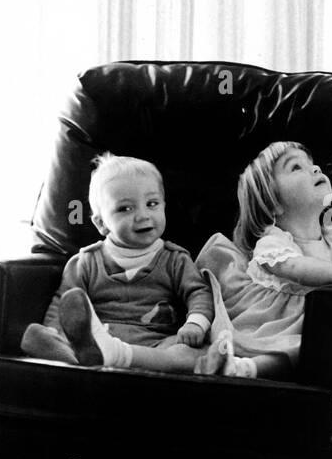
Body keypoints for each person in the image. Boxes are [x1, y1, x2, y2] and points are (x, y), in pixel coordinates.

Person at [197, 141, 332, 379]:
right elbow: (296, 267)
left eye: (312, 165)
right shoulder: (273, 241)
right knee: (299, 349)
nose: (315, 169)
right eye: (296, 167)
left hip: (315, 322)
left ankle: (239, 368)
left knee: (319, 347)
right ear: (273, 202)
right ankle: (243, 368)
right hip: (270, 324)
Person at [21, 152, 236, 376]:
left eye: (151, 204)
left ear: (164, 206)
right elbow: (64, 303)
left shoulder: (175, 259)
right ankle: (63, 350)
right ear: (101, 223)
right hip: (98, 338)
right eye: (125, 208)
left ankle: (99, 357)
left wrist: (195, 323)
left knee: (191, 354)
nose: (143, 215)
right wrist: (54, 331)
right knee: (53, 335)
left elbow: (199, 293)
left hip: (156, 345)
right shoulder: (85, 262)